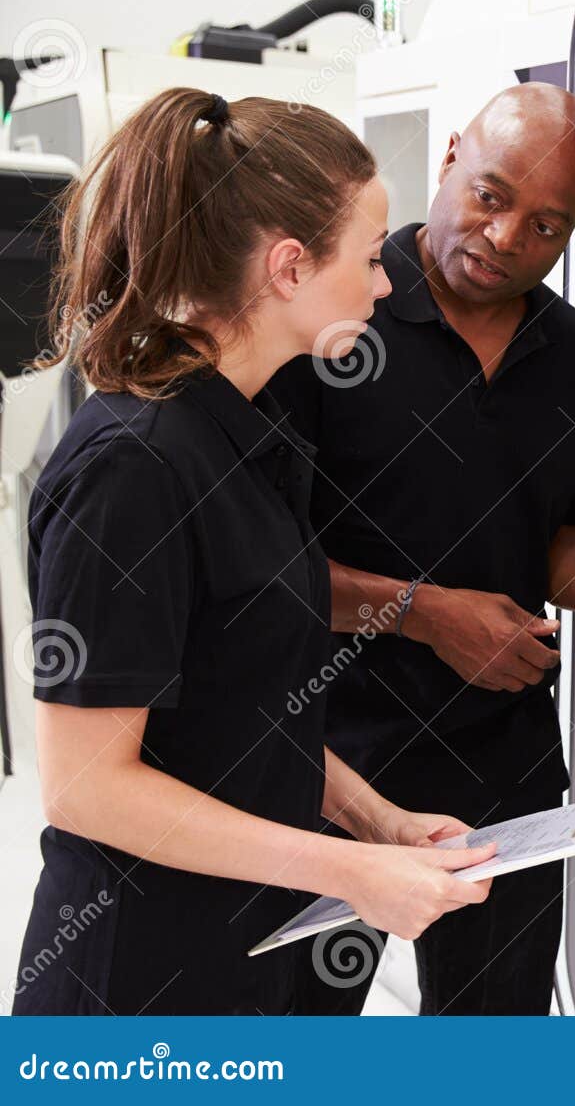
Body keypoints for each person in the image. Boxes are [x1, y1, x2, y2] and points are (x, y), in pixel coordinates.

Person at [265, 82, 575, 1015]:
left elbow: (555, 540)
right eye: (492, 196)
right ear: (452, 154)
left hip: (508, 771)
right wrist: (428, 615)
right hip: (332, 759)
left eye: (547, 226)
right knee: (297, 1026)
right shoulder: (335, 323)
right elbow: (257, 577)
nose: (505, 239)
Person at [9, 88, 500, 1016]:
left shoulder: (249, 432)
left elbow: (246, 711)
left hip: (251, 956)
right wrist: (349, 868)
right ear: (288, 268)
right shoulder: (135, 467)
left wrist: (378, 822)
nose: (386, 283)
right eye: (368, 259)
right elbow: (85, 788)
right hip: (139, 983)